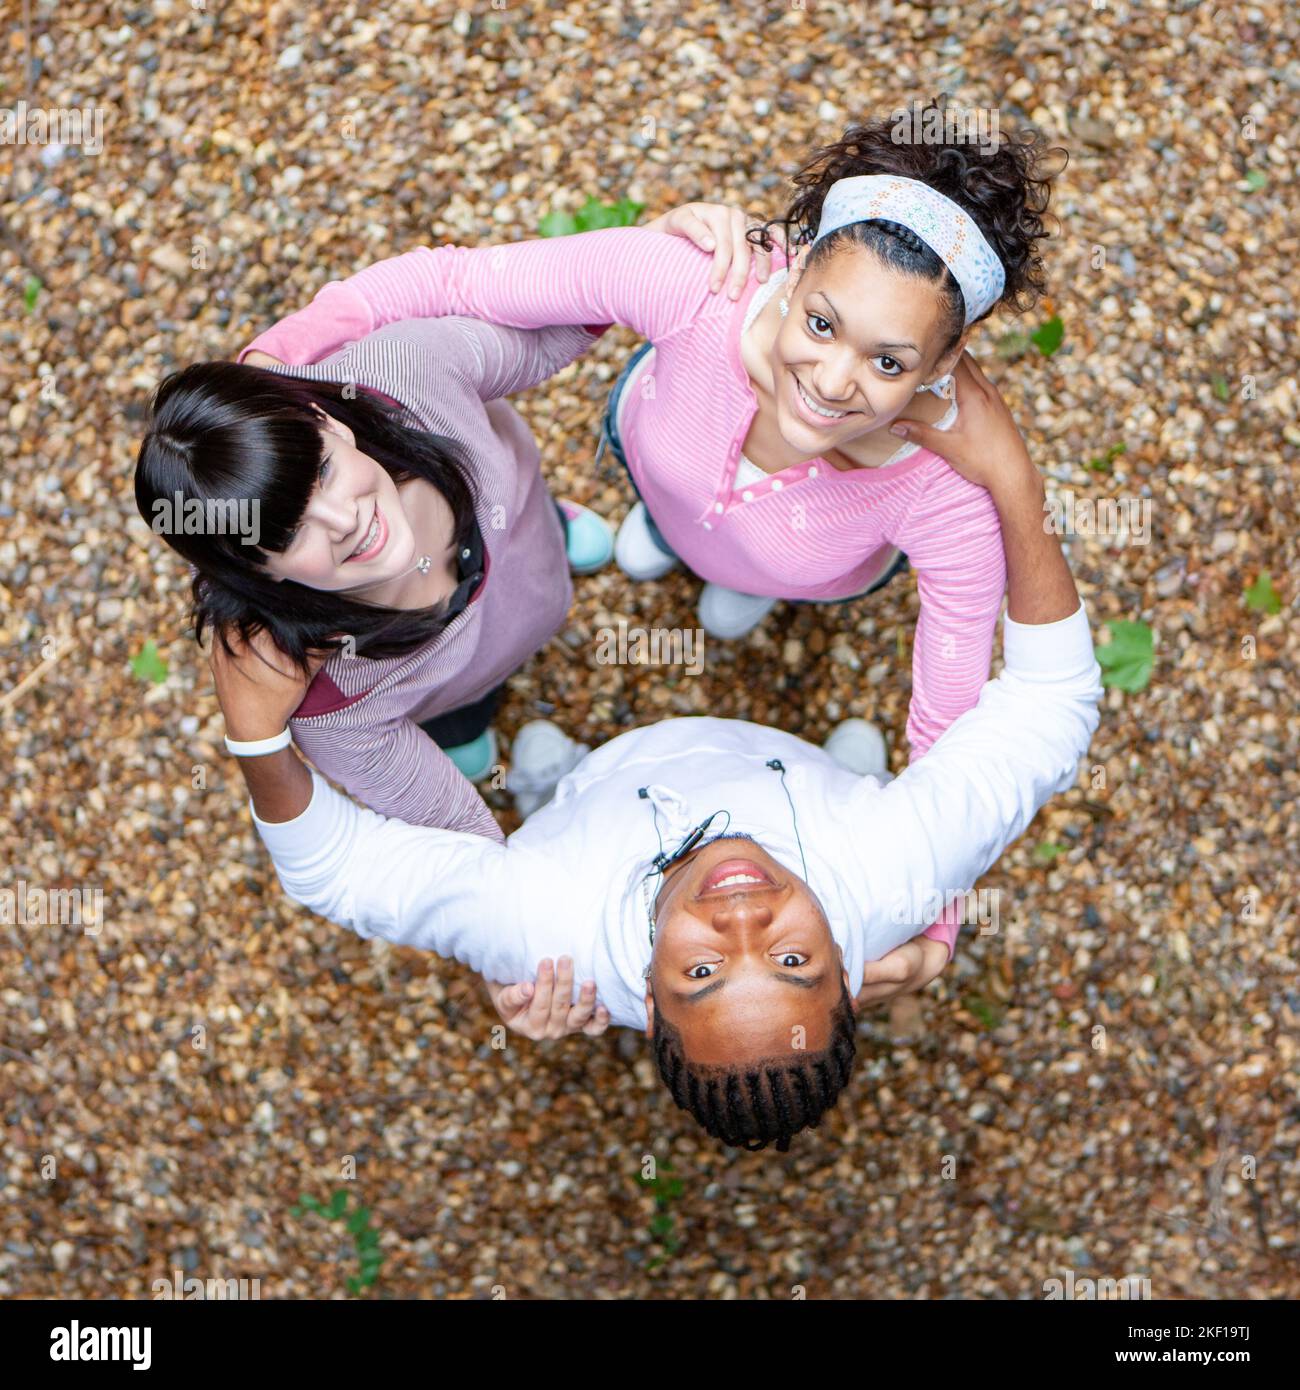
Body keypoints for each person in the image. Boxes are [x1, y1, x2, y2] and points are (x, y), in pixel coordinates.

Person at [211, 353, 1102, 1153]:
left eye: (704, 971)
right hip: (789, 764)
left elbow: (330, 869)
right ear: (850, 969)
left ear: (644, 1000)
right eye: (794, 962)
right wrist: (1011, 475)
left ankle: (547, 776)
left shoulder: (546, 931)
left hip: (593, 799)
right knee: (860, 768)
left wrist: (255, 730)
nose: (743, 920)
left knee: (536, 788)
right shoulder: (894, 872)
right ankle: (842, 756)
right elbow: (1052, 703)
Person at [237, 97, 1063, 766]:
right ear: (796, 260)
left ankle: (753, 583)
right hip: (659, 472)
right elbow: (454, 279)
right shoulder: (701, 279)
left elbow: (949, 724)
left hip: (809, 572)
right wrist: (276, 363)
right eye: (819, 323)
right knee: (665, 522)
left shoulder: (950, 496)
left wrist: (930, 891)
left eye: (889, 362)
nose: (832, 382)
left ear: (949, 355)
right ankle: (671, 539)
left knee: (770, 567)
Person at [135, 204, 779, 837]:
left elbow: (535, 341)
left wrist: (642, 260)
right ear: (253, 570)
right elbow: (462, 840)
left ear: (327, 422)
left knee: (536, 532)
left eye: (324, 472)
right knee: (462, 737)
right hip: (453, 689)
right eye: (290, 531)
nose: (345, 520)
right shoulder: (331, 702)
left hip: (524, 529)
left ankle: (557, 532)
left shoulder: (406, 369)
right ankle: (469, 728)